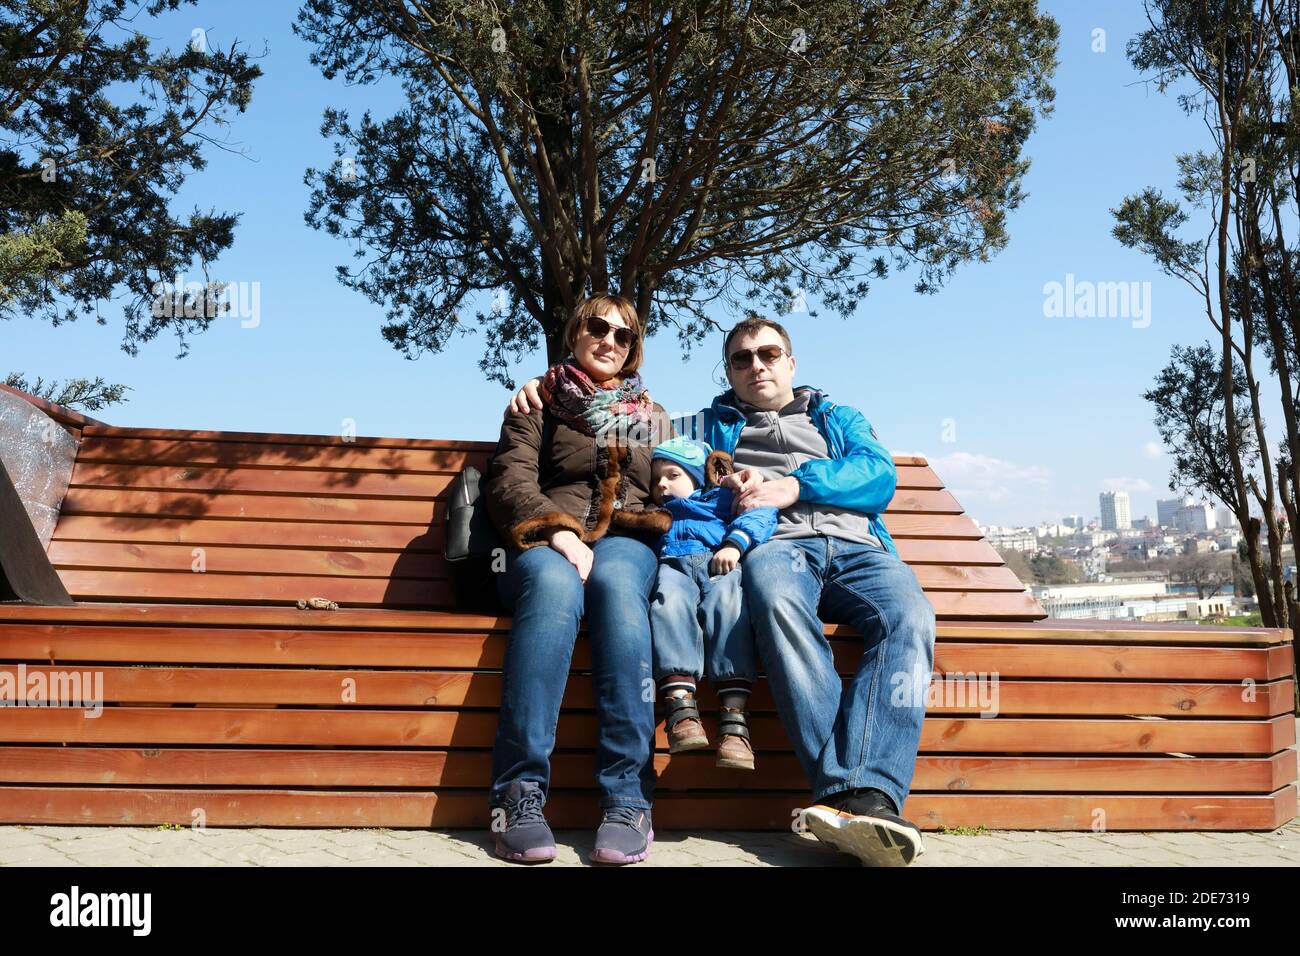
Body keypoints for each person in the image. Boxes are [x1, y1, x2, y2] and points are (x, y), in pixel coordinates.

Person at [506, 316, 937, 867]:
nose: (757, 365)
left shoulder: (836, 415)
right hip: (775, 547)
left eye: (769, 354)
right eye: (742, 358)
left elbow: (878, 476)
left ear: (791, 362)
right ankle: (856, 795)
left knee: (911, 618)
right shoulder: (706, 424)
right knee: (776, 606)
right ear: (729, 370)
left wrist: (796, 484)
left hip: (859, 546)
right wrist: (538, 387)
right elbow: (638, 437)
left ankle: (859, 795)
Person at [483, 293, 673, 865]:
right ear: (575, 333)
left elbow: (679, 473)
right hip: (544, 538)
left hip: (626, 540)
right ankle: (518, 793)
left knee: (618, 591)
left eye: (623, 336)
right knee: (554, 585)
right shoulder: (537, 402)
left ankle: (627, 798)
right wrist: (558, 531)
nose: (609, 342)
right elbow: (508, 477)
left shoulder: (652, 415)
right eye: (598, 328)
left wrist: (684, 482)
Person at [647, 436, 777, 771]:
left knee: (729, 606)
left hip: (720, 563)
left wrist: (734, 545)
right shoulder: (658, 515)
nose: (661, 484)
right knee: (668, 604)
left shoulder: (721, 498)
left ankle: (734, 719)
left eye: (673, 475)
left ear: (696, 476)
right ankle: (681, 708)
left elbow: (760, 514)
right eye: (656, 478)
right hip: (673, 566)